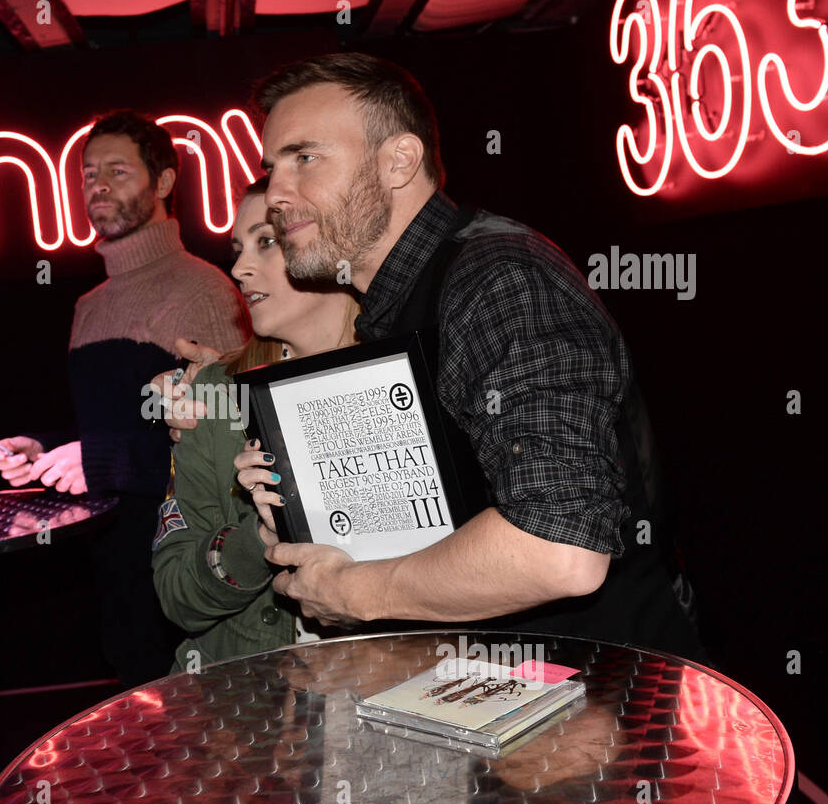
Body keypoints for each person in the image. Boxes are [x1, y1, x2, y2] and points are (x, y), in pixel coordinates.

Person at [235, 52, 703, 659]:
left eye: (305, 158)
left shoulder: (500, 278)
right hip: (511, 708)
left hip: (612, 709)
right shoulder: (393, 306)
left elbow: (560, 550)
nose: (277, 193)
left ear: (399, 161)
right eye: (273, 167)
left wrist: (358, 591)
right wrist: (305, 506)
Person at [0, 110, 250, 686]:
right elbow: (109, 425)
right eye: (87, 174)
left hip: (189, 575)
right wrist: (46, 450)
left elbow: (237, 438)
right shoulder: (89, 304)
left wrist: (101, 459)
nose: (97, 185)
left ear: (162, 184)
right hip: (112, 570)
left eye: (117, 171)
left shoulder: (204, 289)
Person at [152, 178, 360, 671]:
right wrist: (259, 539)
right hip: (253, 711)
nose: (240, 268)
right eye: (238, 248)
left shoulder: (419, 375)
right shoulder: (212, 397)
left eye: (267, 241)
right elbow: (176, 597)